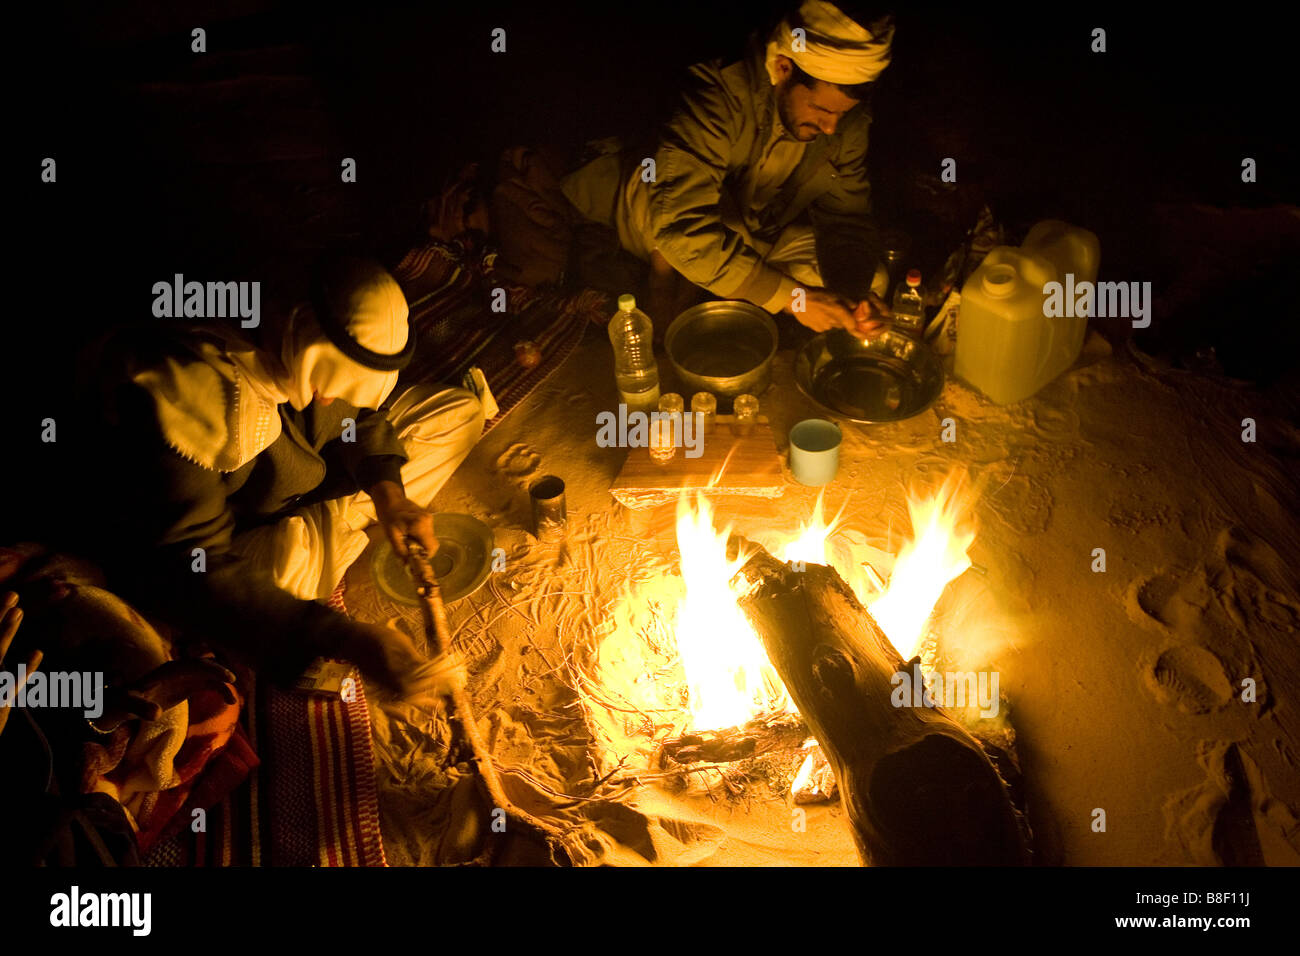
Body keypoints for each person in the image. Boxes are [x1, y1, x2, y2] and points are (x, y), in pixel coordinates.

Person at [71, 256, 481, 701]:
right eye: (330, 382)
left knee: (460, 412)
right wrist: (346, 638)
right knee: (282, 578)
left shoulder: (298, 338)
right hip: (240, 536)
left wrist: (389, 494)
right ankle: (331, 545)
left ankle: (351, 528)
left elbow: (359, 415)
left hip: (316, 487)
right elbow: (190, 564)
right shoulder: (181, 396)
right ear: (305, 344)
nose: (329, 398)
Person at [559, 1, 896, 335]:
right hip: (660, 218)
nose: (830, 128)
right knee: (686, 214)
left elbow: (847, 220)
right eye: (821, 109)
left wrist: (852, 301)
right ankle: (670, 301)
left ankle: (729, 281)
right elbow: (682, 225)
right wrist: (795, 298)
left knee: (873, 280)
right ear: (783, 68)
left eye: (842, 113)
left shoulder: (845, 124)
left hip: (757, 229)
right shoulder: (717, 93)